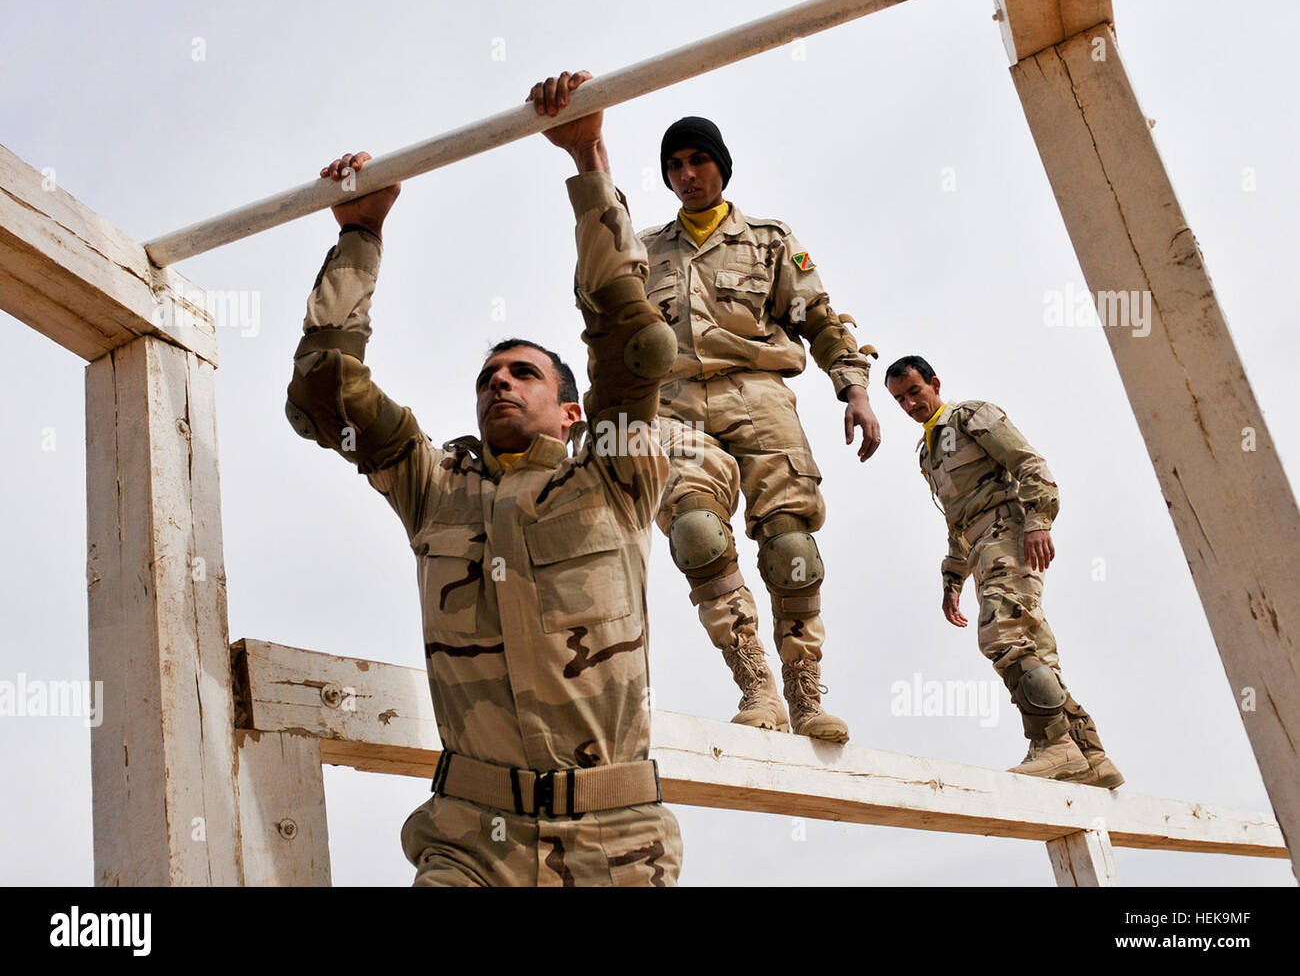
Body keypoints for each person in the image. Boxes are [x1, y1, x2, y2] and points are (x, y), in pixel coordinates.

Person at [282, 104, 684, 884]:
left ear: (572, 410)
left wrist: (587, 161)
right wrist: (360, 236)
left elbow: (631, 341)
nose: (499, 382)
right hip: (471, 840)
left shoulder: (615, 472)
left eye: (522, 372)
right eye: (487, 378)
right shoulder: (435, 488)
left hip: (616, 840)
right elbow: (324, 392)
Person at [528, 71, 881, 743]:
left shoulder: (771, 240)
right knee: (696, 534)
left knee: (790, 543)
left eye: (698, 161)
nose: (688, 174)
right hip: (677, 407)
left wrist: (855, 387)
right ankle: (757, 686)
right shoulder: (652, 247)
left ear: (721, 166)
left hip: (759, 394)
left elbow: (822, 319)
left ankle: (806, 691)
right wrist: (586, 153)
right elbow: (607, 255)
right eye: (676, 165)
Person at [883, 355, 1123, 787]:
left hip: (1007, 534)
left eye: (914, 392)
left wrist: (1037, 522)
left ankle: (1054, 747)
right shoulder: (928, 451)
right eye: (900, 399)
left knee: (1003, 637)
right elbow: (956, 519)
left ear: (934, 383)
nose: (909, 404)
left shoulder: (970, 416)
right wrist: (952, 579)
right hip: (980, 549)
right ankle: (1091, 757)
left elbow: (1029, 463)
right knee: (1033, 648)